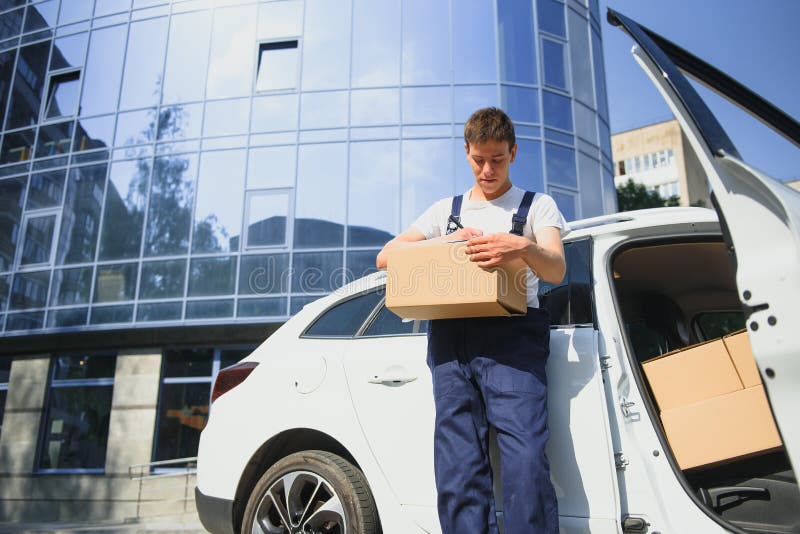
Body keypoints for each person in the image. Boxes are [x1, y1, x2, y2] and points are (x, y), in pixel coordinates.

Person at [376, 107, 568, 534]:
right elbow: (386, 257)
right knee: (458, 465)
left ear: (513, 153)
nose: (487, 170)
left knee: (525, 456)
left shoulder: (537, 206)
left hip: (514, 337)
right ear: (466, 152)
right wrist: (448, 241)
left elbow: (556, 268)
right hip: (450, 338)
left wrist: (520, 246)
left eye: (497, 159)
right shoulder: (445, 210)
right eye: (479, 160)